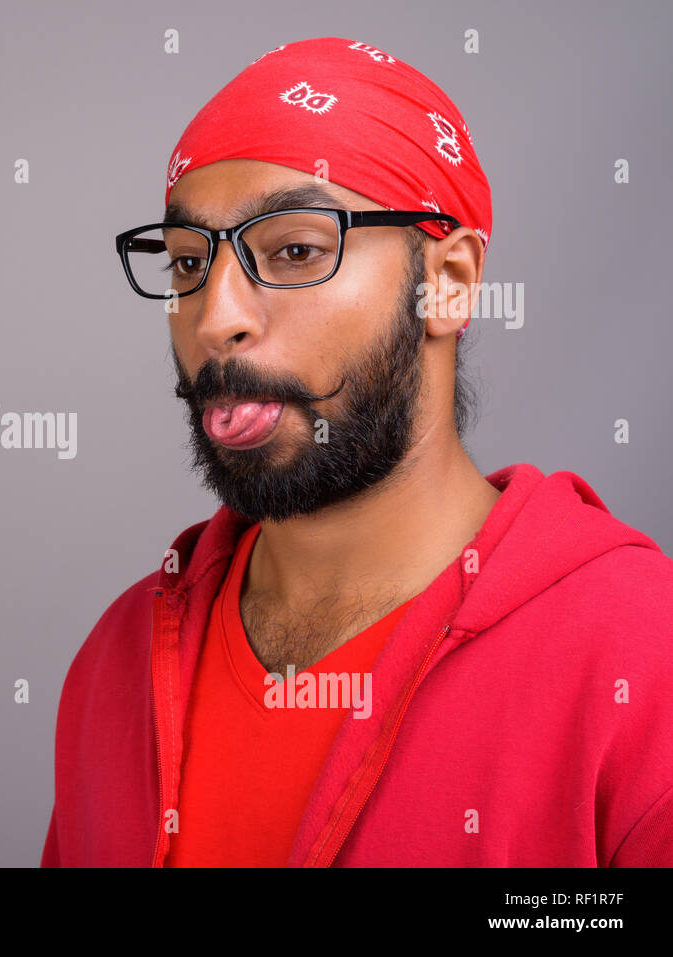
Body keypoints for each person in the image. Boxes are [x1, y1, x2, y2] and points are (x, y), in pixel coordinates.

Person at [41, 36, 673, 867]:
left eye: (295, 250)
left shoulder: (642, 655)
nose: (214, 318)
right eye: (190, 263)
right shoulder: (117, 658)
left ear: (447, 280)